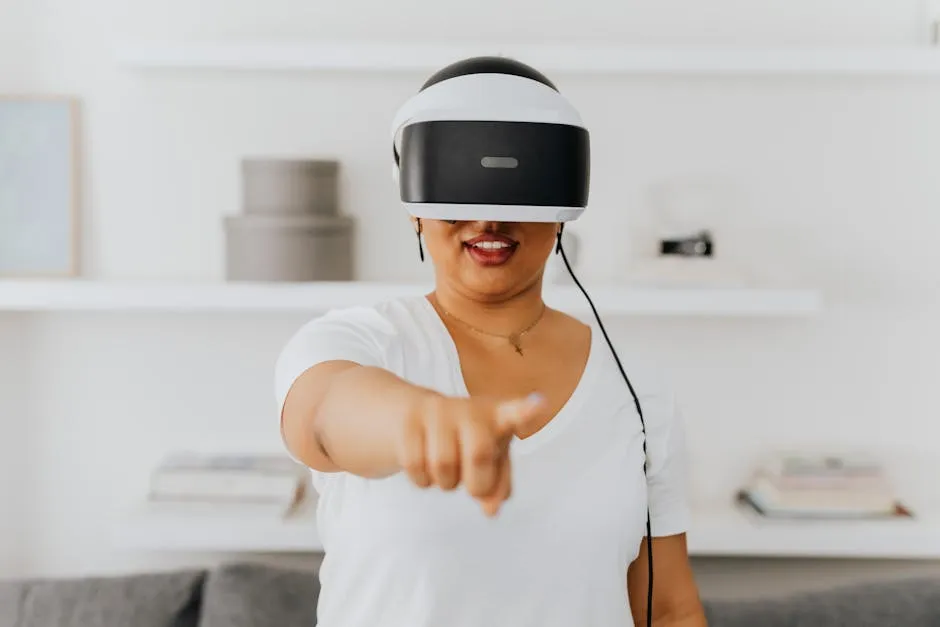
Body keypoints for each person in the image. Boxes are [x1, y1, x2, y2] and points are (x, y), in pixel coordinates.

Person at [275, 61, 707, 627]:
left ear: (562, 204)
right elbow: (324, 417)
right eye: (459, 184)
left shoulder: (637, 383)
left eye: (517, 188)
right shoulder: (357, 341)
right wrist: (417, 420)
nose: (488, 217)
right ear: (413, 206)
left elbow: (667, 608)